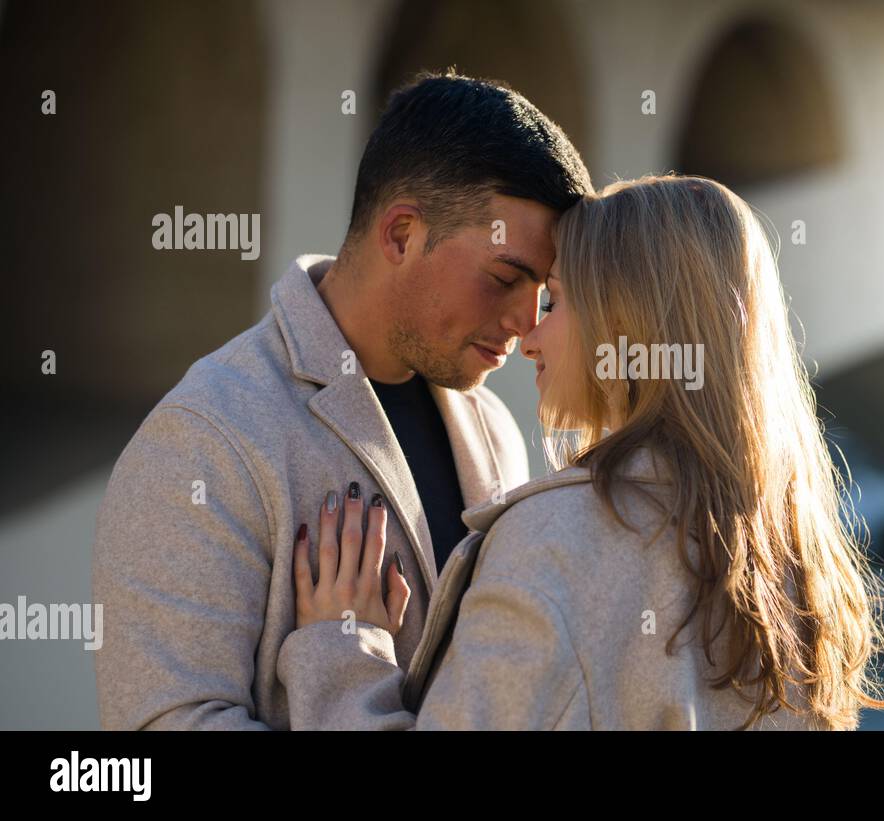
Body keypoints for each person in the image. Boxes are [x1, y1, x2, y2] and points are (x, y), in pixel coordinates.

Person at [272, 175, 884, 730]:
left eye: (556, 300)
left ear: (625, 322)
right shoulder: (788, 561)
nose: (530, 335)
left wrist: (343, 651)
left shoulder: (557, 541)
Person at [91, 71, 592, 730]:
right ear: (402, 234)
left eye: (545, 293)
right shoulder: (204, 439)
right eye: (506, 277)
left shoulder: (493, 428)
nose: (529, 321)